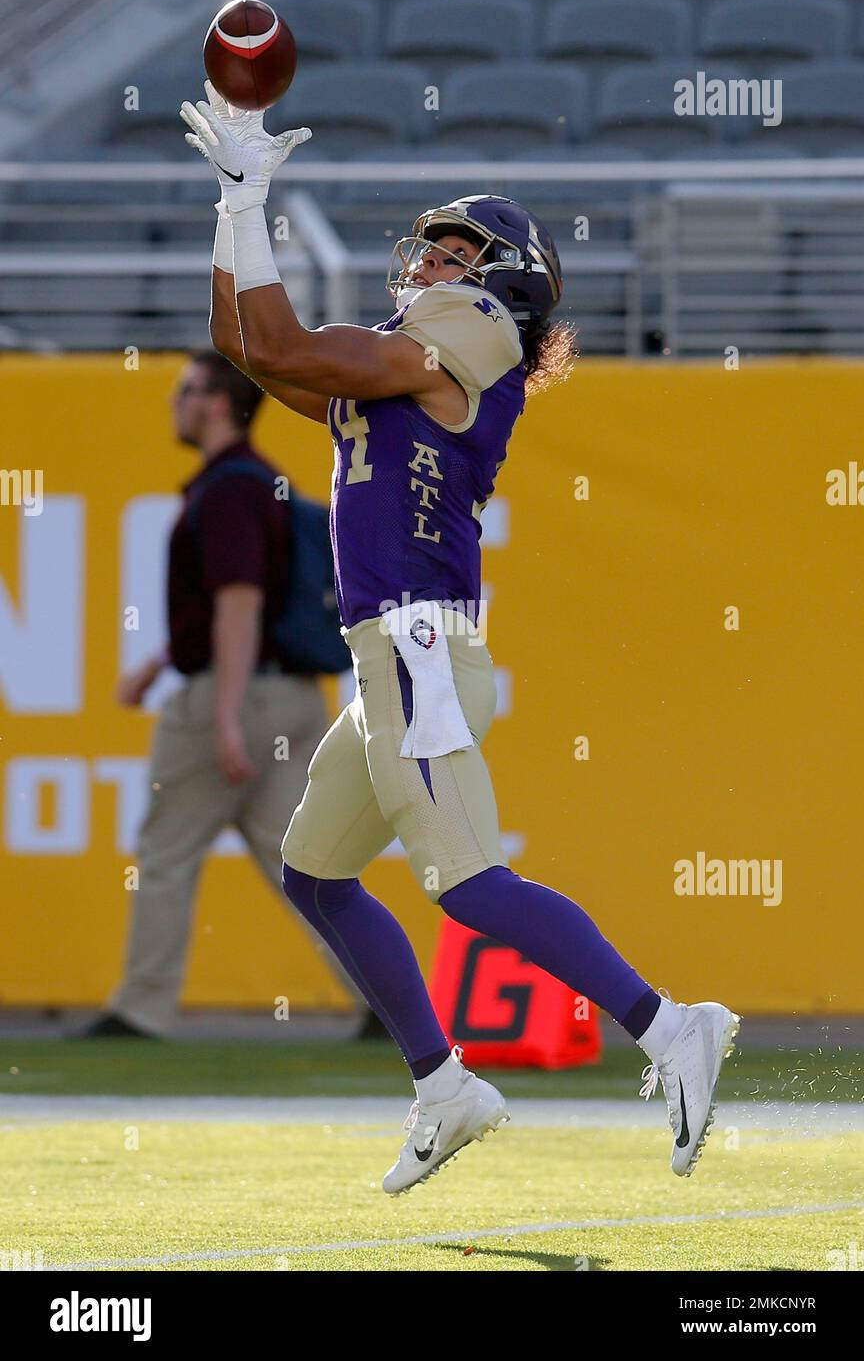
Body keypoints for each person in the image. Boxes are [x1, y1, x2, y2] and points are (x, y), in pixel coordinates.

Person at [181, 82, 740, 1192]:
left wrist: (253, 194)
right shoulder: (398, 370)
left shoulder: (464, 346)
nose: (424, 268)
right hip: (383, 662)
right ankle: (443, 1084)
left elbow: (281, 335)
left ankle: (672, 1023)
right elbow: (249, 346)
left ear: (500, 284)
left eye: (450, 254)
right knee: (315, 875)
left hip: (420, 650)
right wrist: (233, 208)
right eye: (426, 252)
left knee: (470, 882)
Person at [83, 350, 369, 1038]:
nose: (174, 402)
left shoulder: (229, 490)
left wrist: (225, 719)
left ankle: (142, 1008)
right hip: (292, 695)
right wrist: (160, 662)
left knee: (166, 854)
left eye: (185, 390)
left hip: (235, 697)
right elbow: (245, 605)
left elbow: (238, 604)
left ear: (214, 403)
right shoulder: (261, 484)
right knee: (304, 866)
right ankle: (388, 1004)